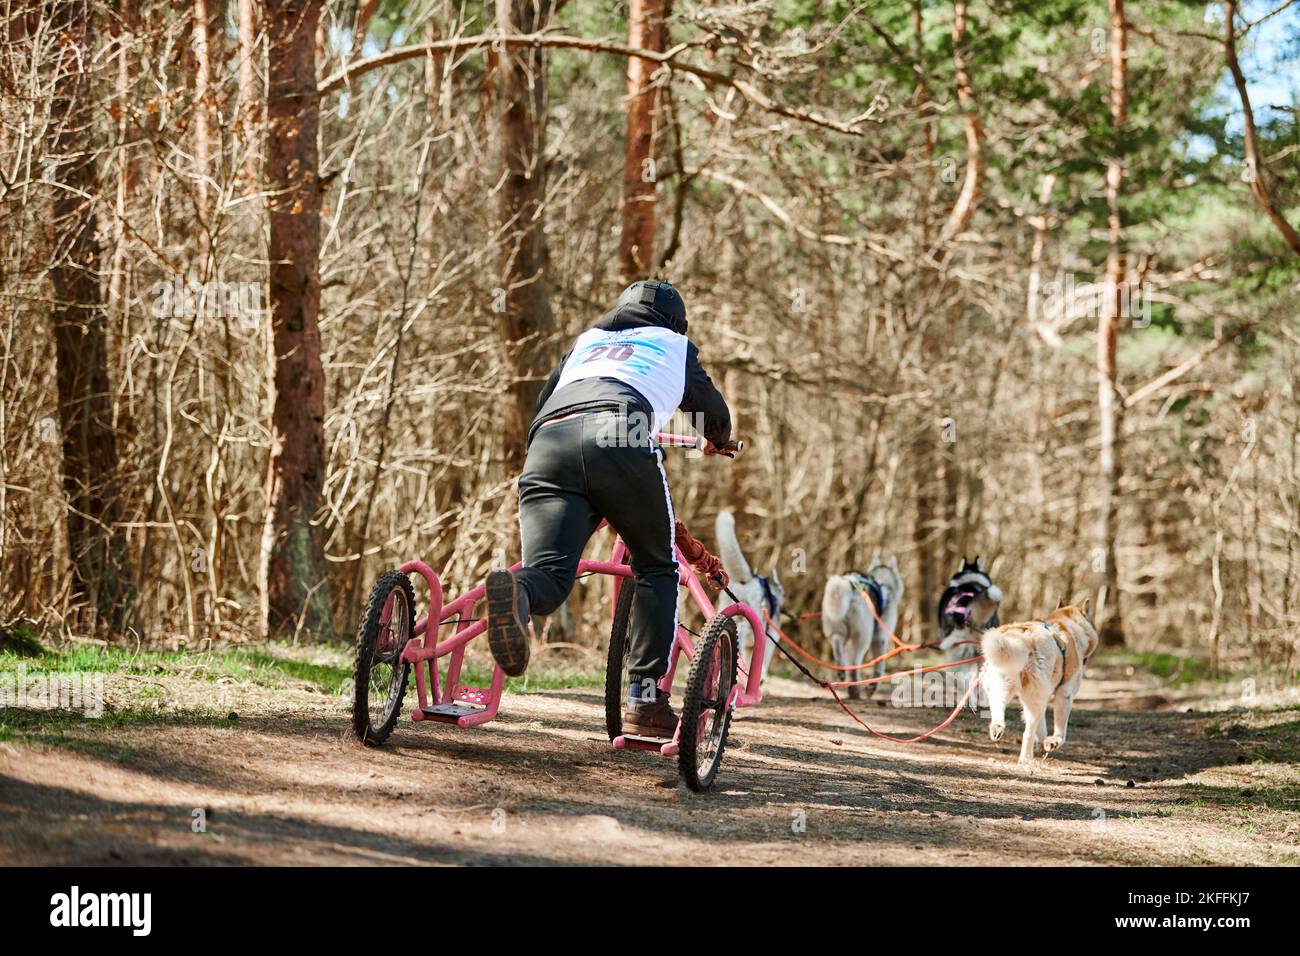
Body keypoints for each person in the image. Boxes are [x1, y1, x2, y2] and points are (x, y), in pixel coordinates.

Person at [484, 279, 734, 738]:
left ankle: (517, 592)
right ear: (677, 323)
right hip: (620, 432)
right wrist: (718, 440)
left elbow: (544, 402)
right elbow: (708, 410)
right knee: (657, 565)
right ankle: (645, 700)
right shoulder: (674, 344)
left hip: (549, 440)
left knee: (551, 574)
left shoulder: (589, 341)